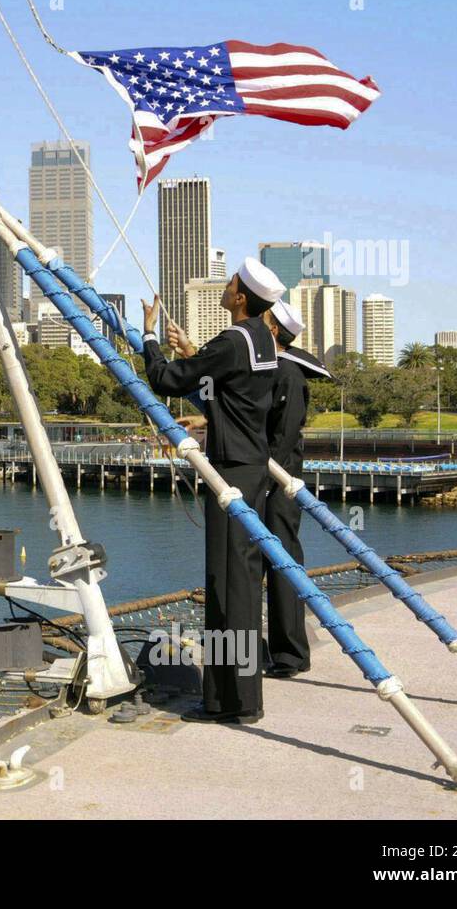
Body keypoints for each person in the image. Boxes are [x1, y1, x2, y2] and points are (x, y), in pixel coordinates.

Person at [140, 258, 284, 724]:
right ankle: (238, 695)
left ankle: (232, 702)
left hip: (229, 474)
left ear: (240, 297)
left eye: (230, 283)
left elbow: (166, 381)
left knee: (228, 585)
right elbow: (228, 391)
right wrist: (193, 353)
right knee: (242, 580)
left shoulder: (232, 340)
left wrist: (149, 339)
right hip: (252, 466)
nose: (225, 286)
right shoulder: (261, 339)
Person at [262, 300, 331, 678]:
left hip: (280, 481)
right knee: (267, 563)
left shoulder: (288, 374)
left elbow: (283, 437)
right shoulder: (272, 368)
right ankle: (279, 650)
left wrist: (267, 479)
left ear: (273, 331)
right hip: (271, 478)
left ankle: (290, 654)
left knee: (283, 563)